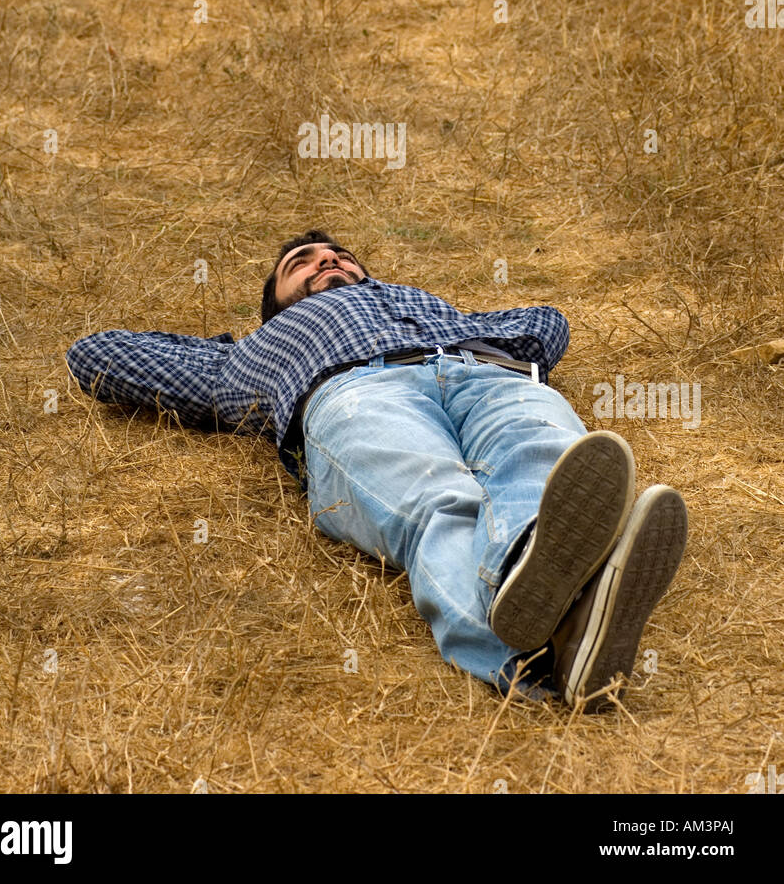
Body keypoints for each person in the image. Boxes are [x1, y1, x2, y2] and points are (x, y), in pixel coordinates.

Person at [66, 230, 687, 710]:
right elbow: (96, 354)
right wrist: (230, 350)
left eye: (338, 255)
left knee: (541, 463)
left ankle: (543, 586)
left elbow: (546, 321)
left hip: (486, 375)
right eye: (301, 263)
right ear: (273, 307)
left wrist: (476, 338)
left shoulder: (425, 303)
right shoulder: (251, 357)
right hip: (355, 394)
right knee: (440, 506)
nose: (326, 260)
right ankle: (543, 649)